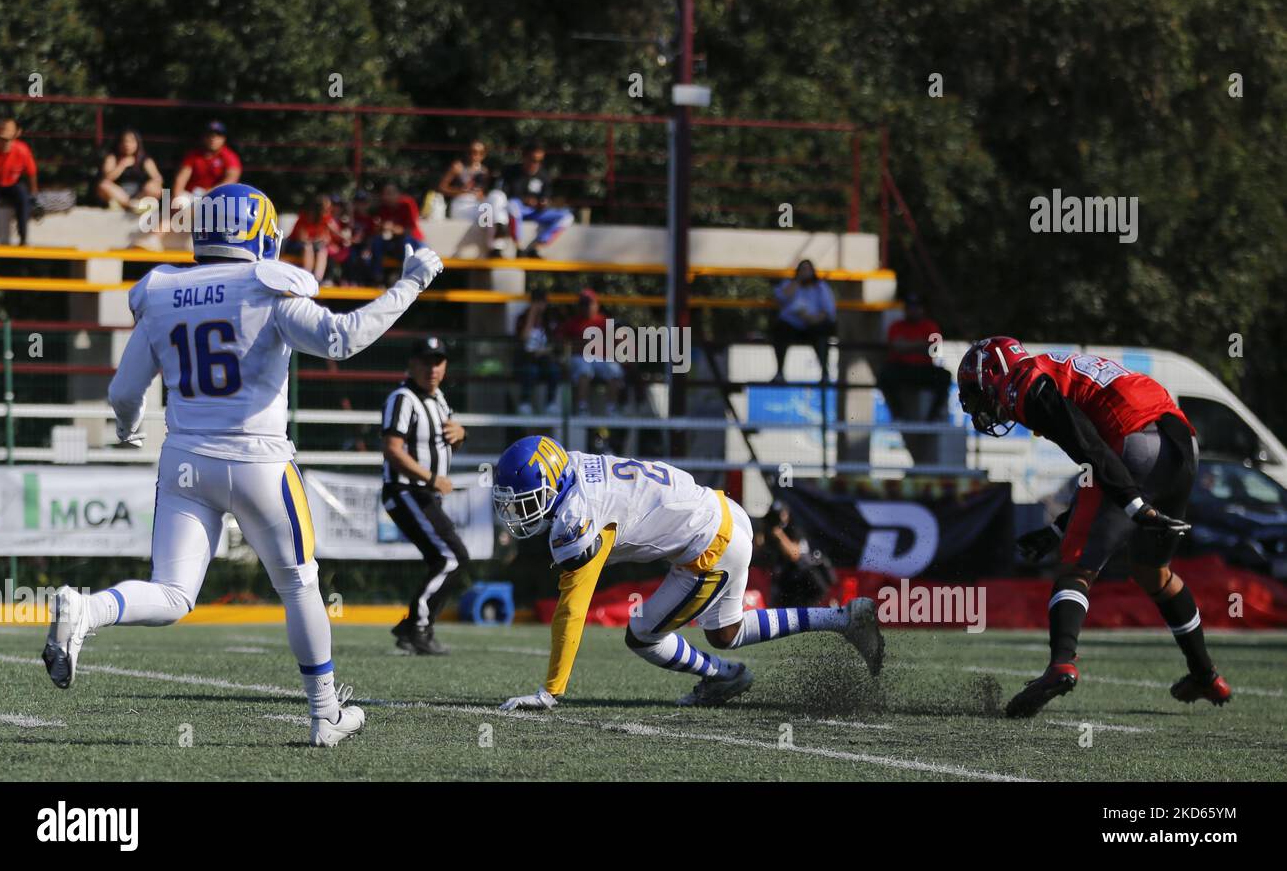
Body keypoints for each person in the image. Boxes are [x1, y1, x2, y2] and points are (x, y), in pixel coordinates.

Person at [41, 182, 446, 747]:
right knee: (301, 586)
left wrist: (130, 430)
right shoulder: (267, 287)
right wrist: (413, 281)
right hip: (258, 460)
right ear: (257, 231)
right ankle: (324, 713)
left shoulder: (164, 292)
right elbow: (343, 339)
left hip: (185, 463)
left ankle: (85, 609)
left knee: (174, 593)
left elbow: (124, 390)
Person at [493, 435, 884, 710]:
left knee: (643, 634)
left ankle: (724, 676)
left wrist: (550, 690)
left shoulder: (578, 515)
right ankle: (843, 618)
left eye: (526, 502)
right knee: (725, 633)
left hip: (708, 546)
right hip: (725, 514)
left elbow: (573, 609)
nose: (519, 513)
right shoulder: (573, 464)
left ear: (552, 484)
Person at [956, 336, 1231, 718]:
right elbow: (1095, 466)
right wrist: (1058, 529)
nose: (979, 406)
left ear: (993, 372)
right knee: (1153, 571)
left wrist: (1132, 502)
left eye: (975, 391)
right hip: (1178, 446)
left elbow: (1090, 448)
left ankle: (1061, 665)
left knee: (1076, 569)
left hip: (1134, 441)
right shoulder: (1052, 370)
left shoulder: (1024, 384)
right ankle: (1206, 674)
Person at [381, 337, 470, 656]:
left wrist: (462, 434)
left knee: (446, 558)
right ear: (412, 364)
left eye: (439, 361)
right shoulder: (403, 398)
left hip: (424, 494)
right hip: (406, 491)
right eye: (426, 361)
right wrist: (432, 478)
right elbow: (392, 450)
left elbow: (448, 441)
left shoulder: (440, 400)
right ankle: (417, 627)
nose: (433, 368)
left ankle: (413, 627)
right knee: (451, 556)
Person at [489, 139, 573, 258]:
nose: (536, 164)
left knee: (567, 216)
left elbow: (546, 196)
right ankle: (518, 247)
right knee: (513, 204)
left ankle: (536, 248)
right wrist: (525, 201)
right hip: (516, 210)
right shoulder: (511, 172)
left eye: (539, 161)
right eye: (533, 160)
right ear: (524, 157)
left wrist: (543, 203)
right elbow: (503, 196)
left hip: (535, 212)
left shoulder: (544, 175)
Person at [879, 293, 951, 421]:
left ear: (922, 309)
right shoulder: (897, 326)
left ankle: (933, 417)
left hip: (923, 369)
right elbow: (897, 347)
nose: (913, 311)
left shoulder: (930, 326)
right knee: (884, 375)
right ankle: (898, 415)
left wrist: (907, 345)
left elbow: (933, 349)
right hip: (903, 369)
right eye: (910, 308)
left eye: (916, 307)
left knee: (944, 376)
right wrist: (920, 344)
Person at [557, 288, 623, 416]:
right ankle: (582, 407)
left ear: (596, 304)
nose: (586, 307)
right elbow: (561, 342)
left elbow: (618, 342)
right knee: (584, 370)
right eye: (583, 304)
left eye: (589, 304)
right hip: (579, 357)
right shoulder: (572, 323)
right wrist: (578, 345)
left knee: (614, 370)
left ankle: (612, 408)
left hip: (600, 358)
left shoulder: (604, 322)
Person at [756, 501, 834, 608]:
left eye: (778, 516)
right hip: (784, 581)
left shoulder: (793, 527)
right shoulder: (769, 530)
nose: (776, 520)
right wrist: (762, 529)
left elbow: (794, 554)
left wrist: (779, 534)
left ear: (785, 515)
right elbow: (758, 549)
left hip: (804, 582)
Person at [771, 259, 837, 382]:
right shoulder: (790, 284)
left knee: (822, 333)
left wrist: (813, 319)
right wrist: (797, 282)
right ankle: (779, 372)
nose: (805, 272)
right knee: (780, 329)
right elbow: (781, 298)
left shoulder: (820, 287)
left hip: (814, 325)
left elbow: (828, 311)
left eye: (808, 269)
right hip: (792, 325)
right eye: (802, 269)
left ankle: (825, 373)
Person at [0, 117, 39, 245]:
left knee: (23, 196)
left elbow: (31, 173)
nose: (5, 143)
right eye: (1, 139)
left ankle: (23, 237)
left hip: (12, 184)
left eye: (8, 140)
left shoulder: (22, 150)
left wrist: (33, 194)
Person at [513, 287, 561, 414]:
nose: (541, 305)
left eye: (543, 302)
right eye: (538, 302)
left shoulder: (549, 320)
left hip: (544, 358)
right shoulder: (523, 318)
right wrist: (532, 315)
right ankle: (525, 402)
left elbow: (554, 344)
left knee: (554, 370)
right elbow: (523, 338)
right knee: (530, 371)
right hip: (526, 359)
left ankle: (551, 403)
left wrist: (544, 352)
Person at [95, 129, 162, 213]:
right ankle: (131, 205)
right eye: (124, 142)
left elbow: (158, 178)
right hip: (118, 194)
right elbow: (107, 178)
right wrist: (121, 166)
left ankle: (130, 205)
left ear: (137, 143)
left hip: (140, 194)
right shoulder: (112, 158)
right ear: (119, 143)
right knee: (103, 185)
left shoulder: (145, 159)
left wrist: (150, 184)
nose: (127, 145)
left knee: (156, 188)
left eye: (131, 142)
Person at [368, 182, 424, 284]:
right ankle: (377, 277)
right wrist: (380, 227)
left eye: (390, 193)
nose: (386, 196)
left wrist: (392, 228)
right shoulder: (383, 208)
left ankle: (405, 277)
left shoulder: (407, 203)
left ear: (398, 194)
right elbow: (379, 231)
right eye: (385, 193)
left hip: (413, 242)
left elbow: (409, 231)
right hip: (393, 243)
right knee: (376, 241)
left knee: (406, 243)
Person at [285, 193, 343, 284]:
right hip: (294, 245)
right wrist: (317, 239)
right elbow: (302, 239)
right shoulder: (304, 217)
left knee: (322, 250)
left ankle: (317, 280)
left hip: (312, 245)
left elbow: (332, 236)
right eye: (326, 209)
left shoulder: (325, 218)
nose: (328, 210)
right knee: (308, 247)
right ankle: (306, 278)